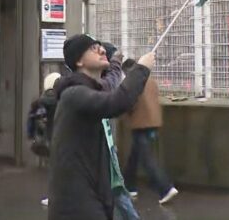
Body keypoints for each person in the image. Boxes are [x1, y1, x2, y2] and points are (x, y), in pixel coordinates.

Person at [48, 34, 155, 220]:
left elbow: (112, 88)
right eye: (93, 48)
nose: (102, 50)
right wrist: (141, 69)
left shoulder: (91, 90)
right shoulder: (73, 95)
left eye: (100, 46)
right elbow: (117, 101)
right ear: (79, 61)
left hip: (93, 196)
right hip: (77, 205)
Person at [121, 58, 178, 204]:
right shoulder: (150, 79)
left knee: (147, 160)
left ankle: (165, 188)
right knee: (134, 157)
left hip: (140, 123)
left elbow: (129, 102)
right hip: (153, 122)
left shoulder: (132, 81)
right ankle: (129, 186)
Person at [29, 71, 62, 207]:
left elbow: (37, 104)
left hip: (54, 135)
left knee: (55, 169)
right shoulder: (64, 95)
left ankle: (54, 197)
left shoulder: (50, 95)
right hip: (64, 134)